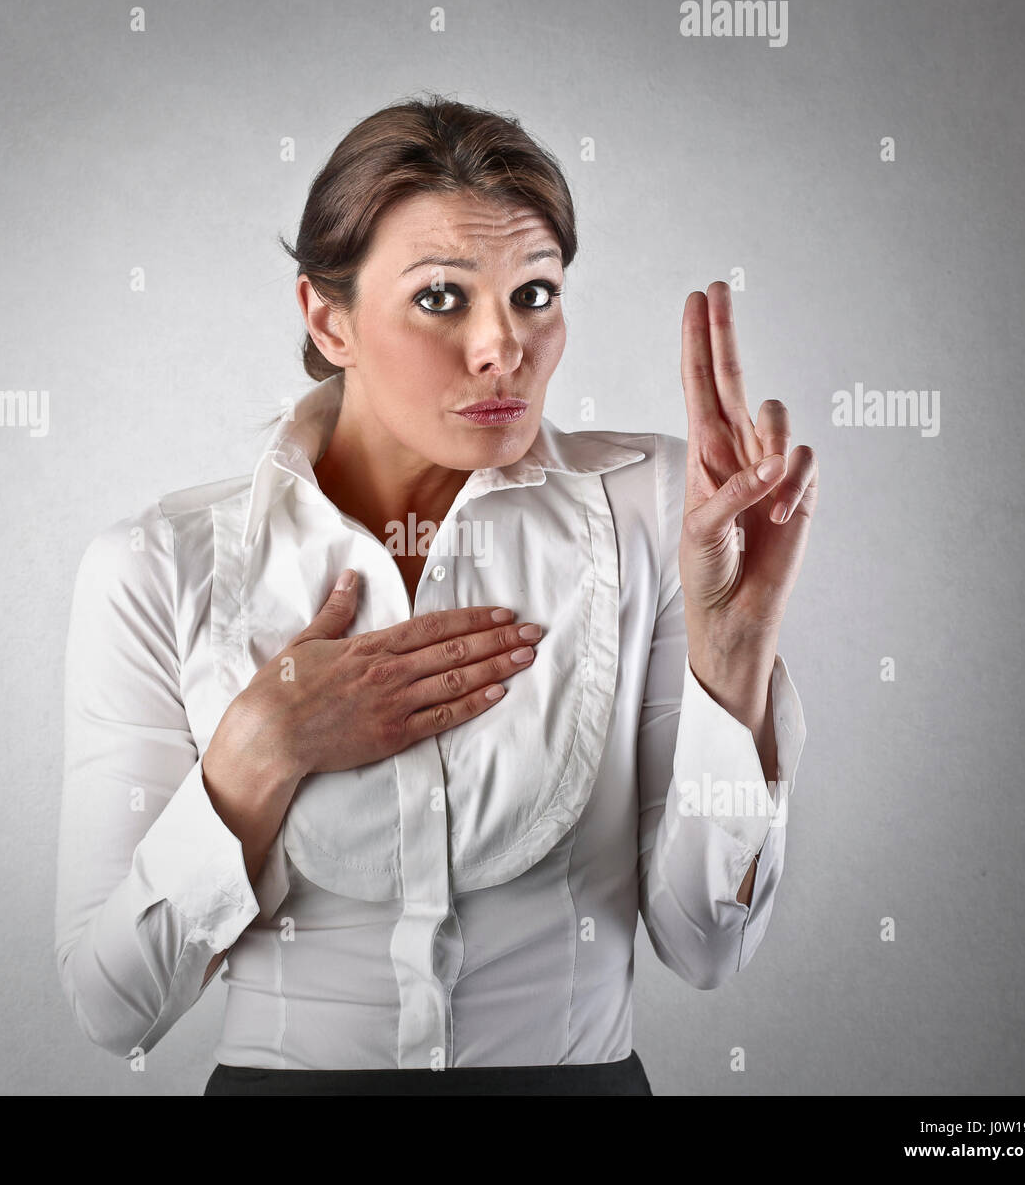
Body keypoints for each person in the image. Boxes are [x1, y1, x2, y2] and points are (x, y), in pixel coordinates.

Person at [54, 92, 818, 1096]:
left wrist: (735, 653)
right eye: (441, 297)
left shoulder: (660, 514)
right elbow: (115, 1007)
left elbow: (706, 946)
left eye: (534, 294)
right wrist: (256, 752)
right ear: (328, 318)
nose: (504, 346)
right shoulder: (159, 565)